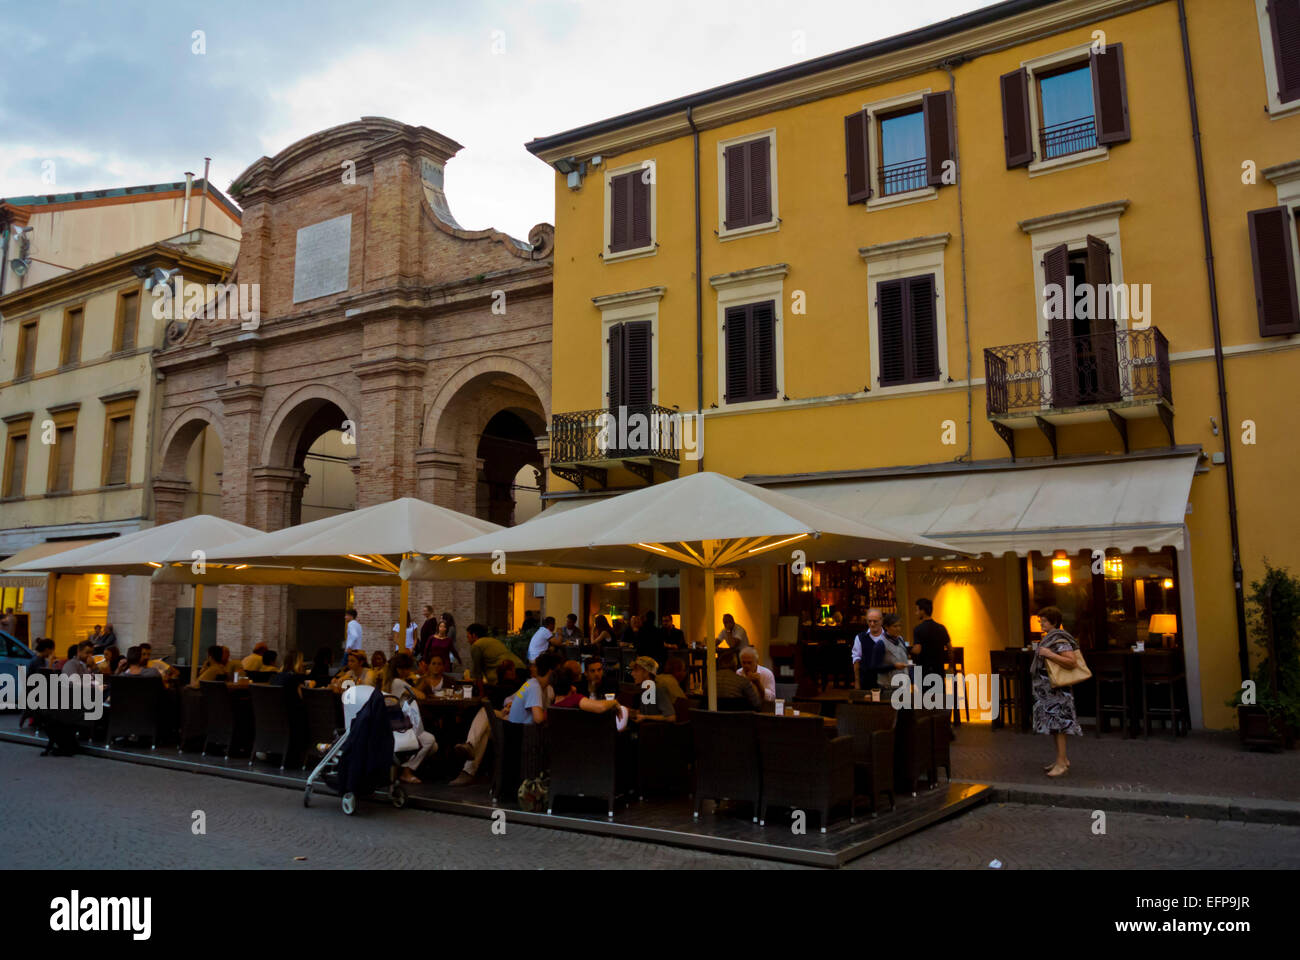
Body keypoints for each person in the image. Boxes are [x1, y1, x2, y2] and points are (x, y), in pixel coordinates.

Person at [1031, 606, 1082, 777]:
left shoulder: (1059, 639)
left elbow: (1071, 661)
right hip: (1050, 690)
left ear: (1053, 621)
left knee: (1059, 726)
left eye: (1044, 621)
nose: (1041, 624)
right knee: (1054, 726)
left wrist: (1048, 654)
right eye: (1040, 621)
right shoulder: (1050, 638)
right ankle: (1062, 759)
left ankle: (1062, 763)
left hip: (1058, 691)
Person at [384, 653, 438, 783]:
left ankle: (403, 767)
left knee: (434, 746)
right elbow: (420, 695)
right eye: (408, 668)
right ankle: (406, 770)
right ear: (400, 669)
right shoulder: (398, 682)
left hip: (397, 724)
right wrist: (423, 679)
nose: (410, 671)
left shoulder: (393, 682)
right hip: (400, 727)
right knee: (430, 740)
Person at [506, 652, 558, 725]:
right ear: (550, 671)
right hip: (520, 733)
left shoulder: (537, 685)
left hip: (519, 730)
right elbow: (538, 719)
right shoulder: (534, 687)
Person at [551, 665, 624, 716]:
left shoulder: (550, 709)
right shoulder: (574, 699)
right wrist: (615, 702)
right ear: (571, 684)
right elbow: (600, 707)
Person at [466, 622, 525, 687]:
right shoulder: (493, 641)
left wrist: (481, 694)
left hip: (508, 673)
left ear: (474, 635)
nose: (467, 640)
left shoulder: (476, 645)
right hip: (521, 668)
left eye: (468, 637)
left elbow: (478, 672)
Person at [911, 598, 951, 684]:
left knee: (924, 697)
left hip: (924, 672)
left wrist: (909, 651)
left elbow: (917, 649)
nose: (916, 613)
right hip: (939, 670)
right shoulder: (941, 628)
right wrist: (950, 666)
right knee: (939, 696)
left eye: (917, 610)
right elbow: (950, 648)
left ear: (923, 611)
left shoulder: (918, 629)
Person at [851, 608, 890, 690]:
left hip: (886, 683)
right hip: (866, 682)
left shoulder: (889, 638)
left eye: (875, 621)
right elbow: (856, 661)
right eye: (869, 621)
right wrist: (857, 682)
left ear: (881, 621)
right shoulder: (860, 638)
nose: (872, 624)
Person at [876, 612, 912, 689]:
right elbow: (876, 667)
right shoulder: (881, 643)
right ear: (886, 627)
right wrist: (894, 666)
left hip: (903, 684)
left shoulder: (900, 639)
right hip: (888, 686)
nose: (898, 629)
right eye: (895, 626)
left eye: (899, 626)